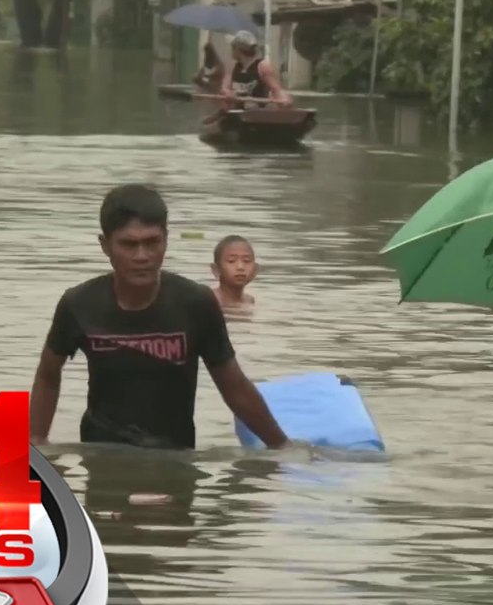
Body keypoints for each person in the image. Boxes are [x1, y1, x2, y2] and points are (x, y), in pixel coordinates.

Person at [29, 184, 297, 452]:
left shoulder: (196, 303)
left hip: (174, 456)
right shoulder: (79, 304)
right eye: (128, 244)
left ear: (166, 240)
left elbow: (233, 386)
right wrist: (36, 443)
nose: (142, 256)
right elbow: (48, 375)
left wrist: (282, 447)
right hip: (103, 458)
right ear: (105, 245)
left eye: (152, 242)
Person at [220, 30, 292, 109]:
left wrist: (284, 99)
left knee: (251, 105)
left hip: (257, 114)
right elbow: (224, 88)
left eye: (232, 47)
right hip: (236, 113)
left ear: (237, 49)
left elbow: (276, 89)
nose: (231, 50)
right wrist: (228, 93)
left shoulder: (263, 66)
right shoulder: (232, 66)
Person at [210, 234, 258, 309]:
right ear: (216, 270)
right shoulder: (210, 300)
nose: (240, 267)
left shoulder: (249, 300)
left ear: (255, 270)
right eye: (231, 261)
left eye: (246, 261)